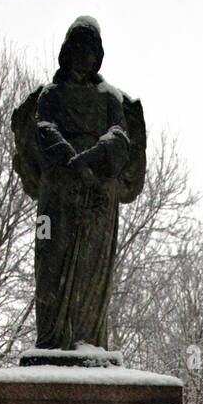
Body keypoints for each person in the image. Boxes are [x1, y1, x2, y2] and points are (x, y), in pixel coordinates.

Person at [12, 18, 143, 351]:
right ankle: (53, 339)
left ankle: (87, 339)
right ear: (66, 51)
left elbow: (120, 137)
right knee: (50, 257)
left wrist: (92, 160)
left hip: (100, 191)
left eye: (91, 50)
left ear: (99, 56)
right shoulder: (51, 95)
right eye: (77, 47)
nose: (83, 56)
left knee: (91, 268)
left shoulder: (110, 98)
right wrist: (71, 160)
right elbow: (43, 129)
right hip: (56, 194)